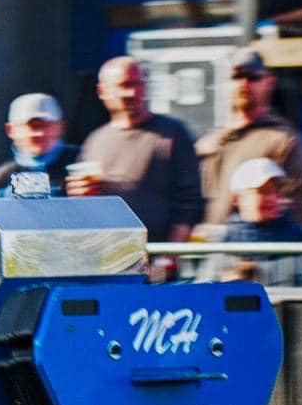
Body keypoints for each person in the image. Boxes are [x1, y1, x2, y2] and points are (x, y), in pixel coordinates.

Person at [70, 56, 203, 263]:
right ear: (102, 91)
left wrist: (169, 258)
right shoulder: (94, 141)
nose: (132, 93)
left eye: (137, 84)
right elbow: (84, 212)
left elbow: (189, 203)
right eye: (123, 85)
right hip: (106, 261)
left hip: (155, 262)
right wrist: (78, 198)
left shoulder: (172, 133)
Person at [196, 49, 302, 227]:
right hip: (211, 247)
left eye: (253, 77)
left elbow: (293, 214)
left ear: (269, 82)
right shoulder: (209, 143)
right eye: (237, 76)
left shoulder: (284, 141)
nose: (244, 83)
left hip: (261, 249)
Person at [201, 158, 302, 289]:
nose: (270, 198)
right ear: (237, 199)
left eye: (275, 191)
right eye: (259, 191)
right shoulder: (222, 244)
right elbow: (203, 295)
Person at [0, 93, 72, 196]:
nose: (39, 133)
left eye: (47, 126)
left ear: (60, 126)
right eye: (32, 126)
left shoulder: (80, 163)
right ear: (11, 130)